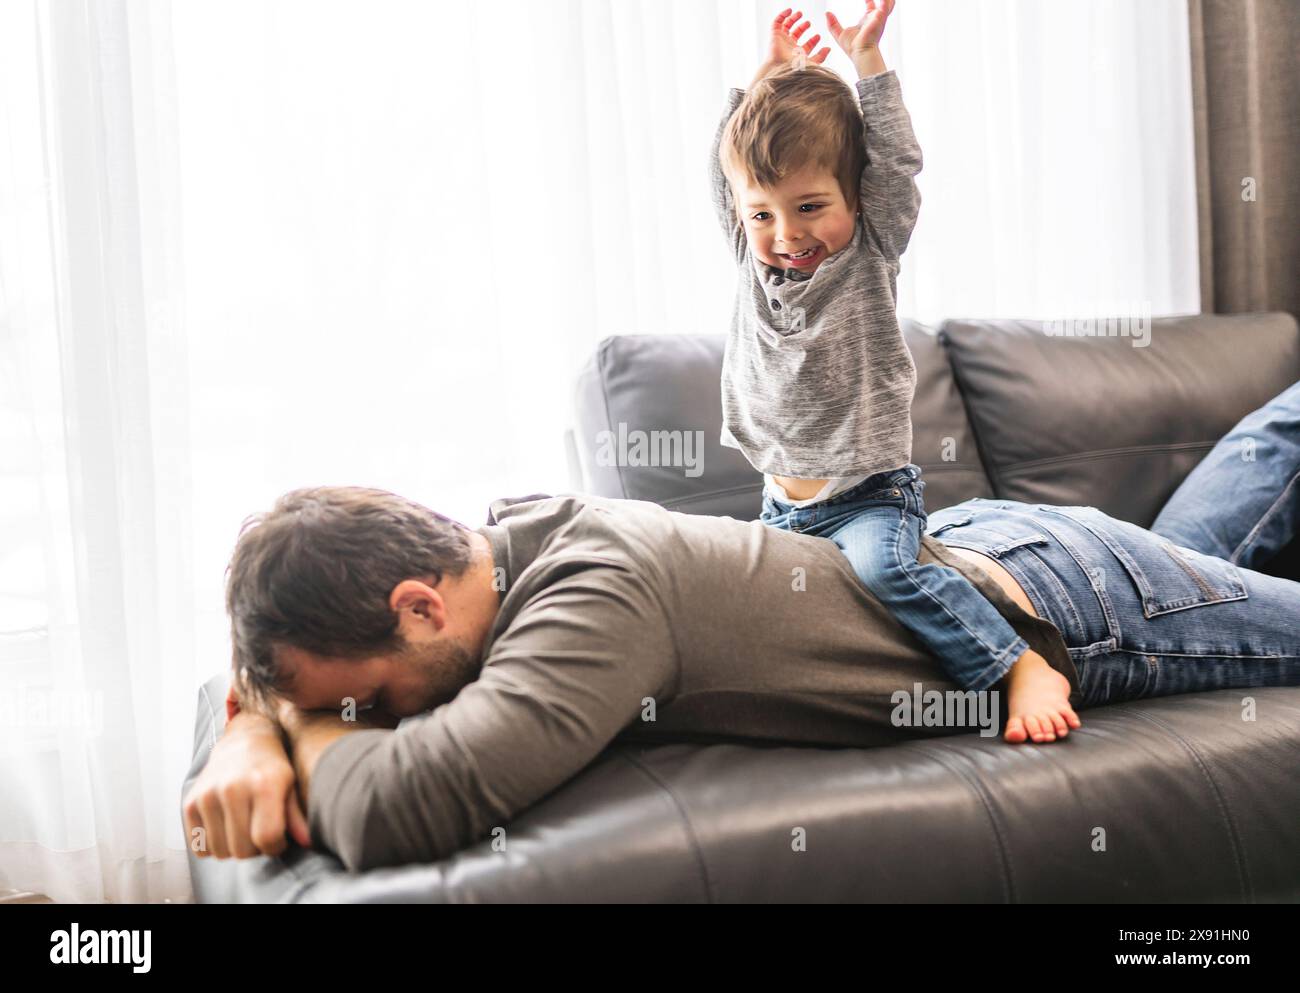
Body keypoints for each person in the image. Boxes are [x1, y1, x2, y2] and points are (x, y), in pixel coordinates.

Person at [182, 381, 1300, 872]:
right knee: (1230, 513)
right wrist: (251, 722)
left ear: (418, 605)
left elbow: (398, 806)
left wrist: (294, 731)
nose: (365, 723)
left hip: (1067, 609)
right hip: (981, 546)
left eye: (364, 702)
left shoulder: (595, 593)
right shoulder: (501, 546)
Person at [711, 4, 1068, 736]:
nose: (787, 234)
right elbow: (729, 171)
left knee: (887, 572)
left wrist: (868, 65)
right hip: (782, 506)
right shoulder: (752, 253)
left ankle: (1021, 664)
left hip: (869, 496)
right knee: (759, 615)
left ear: (855, 200)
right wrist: (767, 76)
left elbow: (898, 165)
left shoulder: (868, 253)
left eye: (810, 206)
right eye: (765, 214)